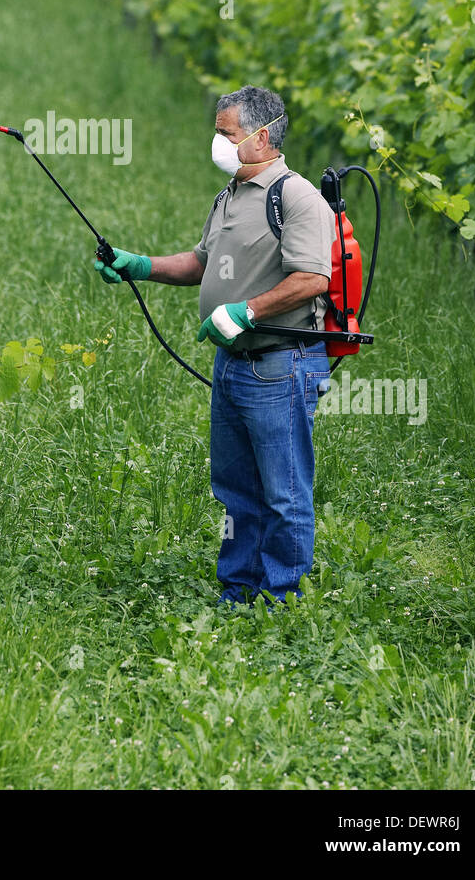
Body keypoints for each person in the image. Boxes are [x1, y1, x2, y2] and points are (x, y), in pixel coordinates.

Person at [94, 85, 334, 607]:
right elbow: (202, 263)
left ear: (262, 136)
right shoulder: (231, 193)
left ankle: (282, 599)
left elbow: (313, 277)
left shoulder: (295, 197)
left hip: (280, 366)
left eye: (226, 133)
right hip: (232, 366)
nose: (218, 142)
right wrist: (140, 266)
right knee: (233, 490)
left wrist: (247, 311)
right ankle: (238, 588)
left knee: (284, 493)